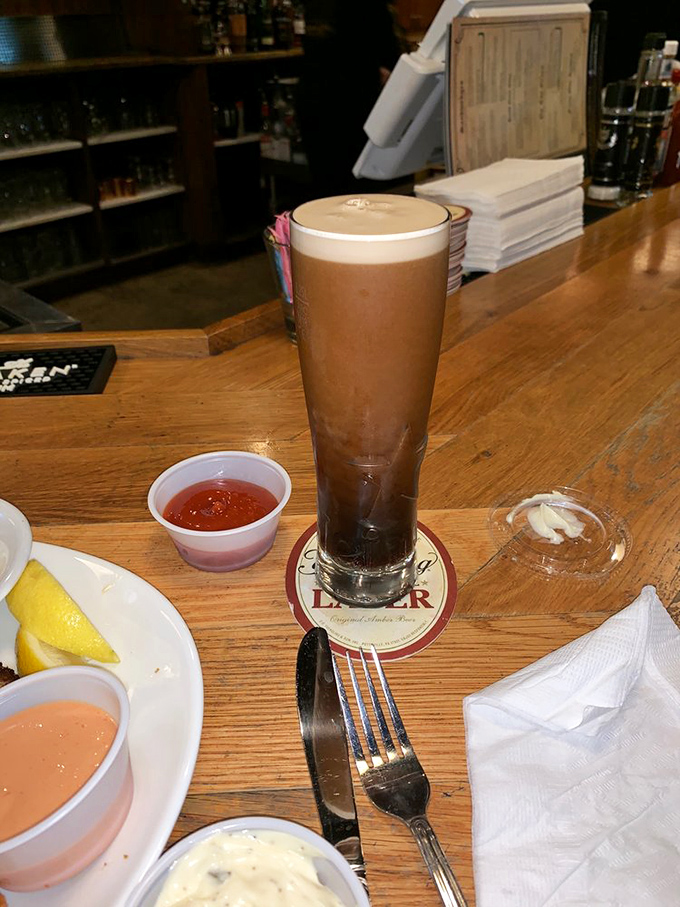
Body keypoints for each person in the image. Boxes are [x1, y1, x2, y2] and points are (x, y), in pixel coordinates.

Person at [296, 0, 408, 198]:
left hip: (318, 99)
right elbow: (385, 51)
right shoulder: (366, 7)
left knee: (329, 193)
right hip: (354, 103)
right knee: (366, 195)